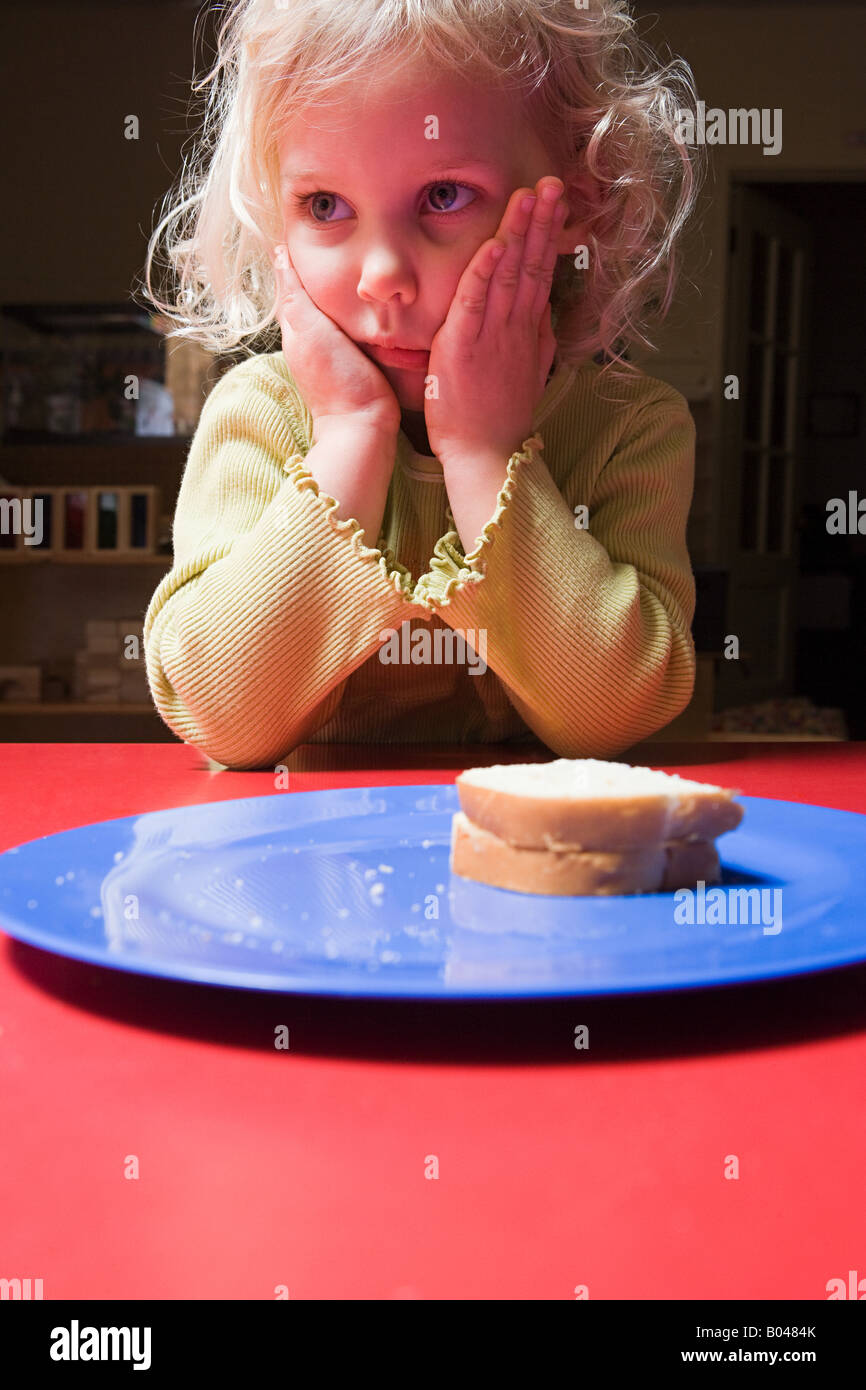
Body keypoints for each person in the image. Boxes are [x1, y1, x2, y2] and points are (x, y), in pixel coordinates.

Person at [140, 0, 705, 770]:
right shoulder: (260, 414)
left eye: (442, 196)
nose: (382, 277)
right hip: (305, 868)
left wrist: (482, 452)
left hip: (534, 873)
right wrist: (351, 435)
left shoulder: (629, 426)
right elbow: (222, 718)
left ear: (580, 196)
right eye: (325, 206)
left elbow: (612, 717)